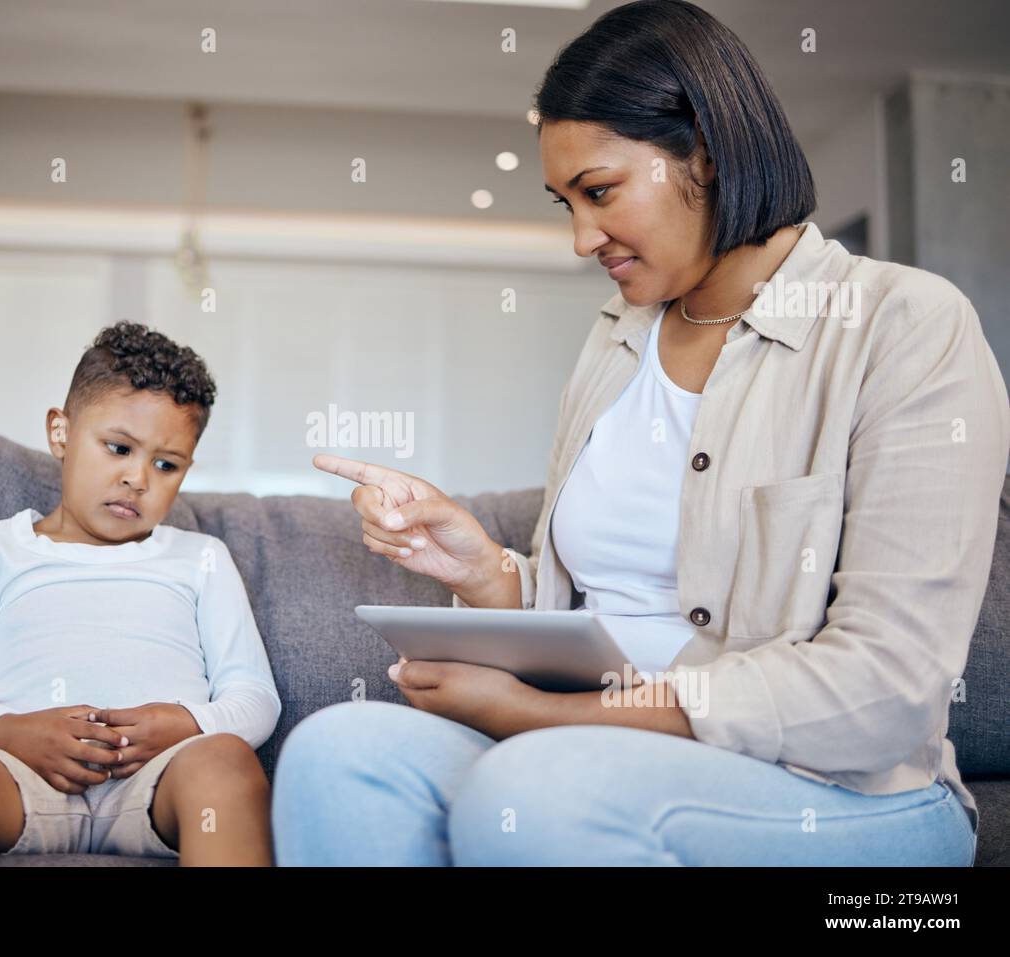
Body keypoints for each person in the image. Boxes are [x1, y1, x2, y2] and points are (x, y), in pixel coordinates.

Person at [270, 0, 1008, 866]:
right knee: (339, 755)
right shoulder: (617, 338)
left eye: (600, 191)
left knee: (538, 788)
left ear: (706, 148)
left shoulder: (904, 325)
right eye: (565, 203)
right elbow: (602, 607)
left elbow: (887, 687)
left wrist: (541, 717)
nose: (582, 237)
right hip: (595, 754)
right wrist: (485, 570)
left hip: (834, 786)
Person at [0, 322, 280, 866]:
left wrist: (187, 724)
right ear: (60, 433)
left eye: (166, 464)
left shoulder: (201, 557)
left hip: (160, 781)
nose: (138, 478)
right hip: (22, 781)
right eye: (118, 447)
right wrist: (7, 732)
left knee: (227, 763)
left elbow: (254, 697)